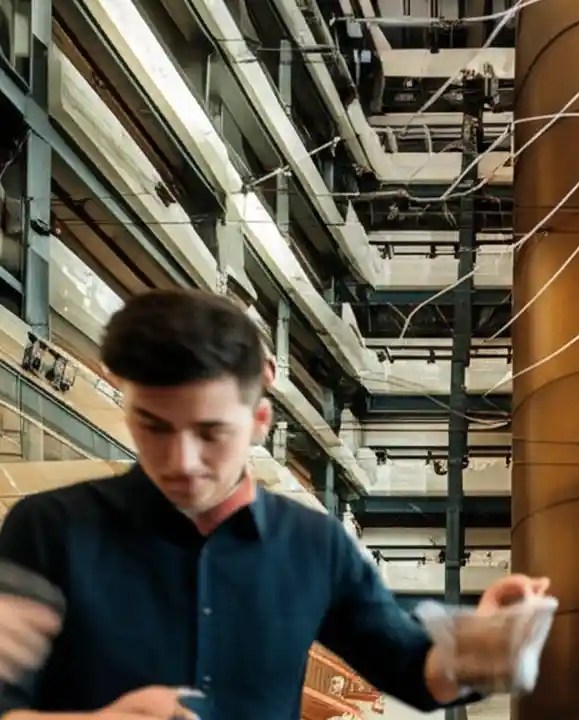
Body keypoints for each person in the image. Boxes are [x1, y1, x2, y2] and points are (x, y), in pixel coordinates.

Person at [0, 289, 550, 719]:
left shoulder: (315, 547)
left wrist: (484, 644)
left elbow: (412, 671)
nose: (181, 460)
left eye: (210, 432)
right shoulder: (47, 531)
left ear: (259, 422)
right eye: (154, 426)